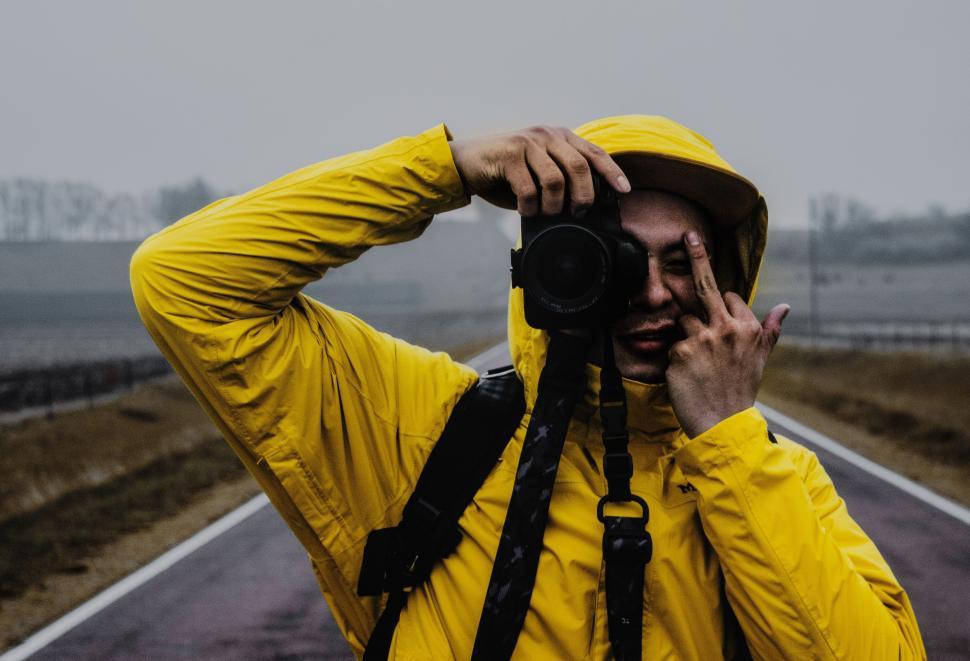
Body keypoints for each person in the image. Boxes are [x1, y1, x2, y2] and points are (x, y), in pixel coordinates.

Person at [130, 115, 925, 659]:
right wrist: (446, 167)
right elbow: (185, 279)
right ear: (549, 272)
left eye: (684, 261)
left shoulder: (775, 480)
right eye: (610, 259)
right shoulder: (428, 432)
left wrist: (729, 445)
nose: (652, 294)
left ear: (731, 280)